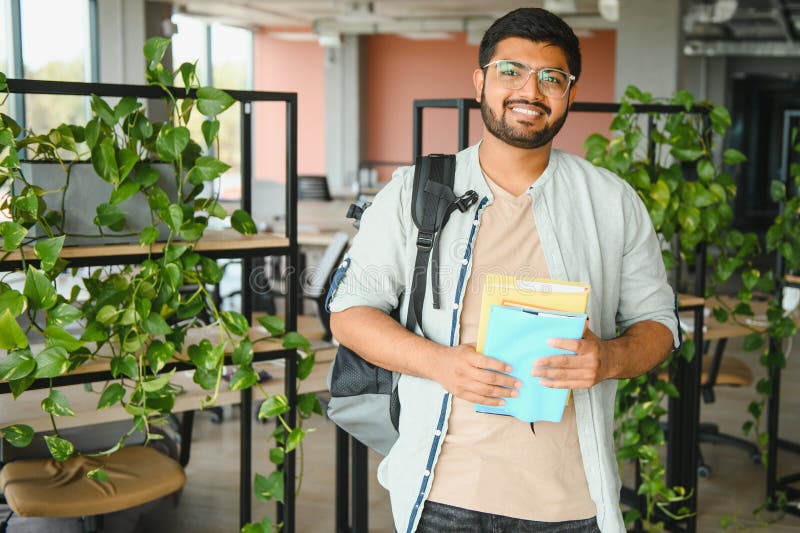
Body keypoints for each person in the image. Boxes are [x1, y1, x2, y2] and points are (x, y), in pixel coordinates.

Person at [327, 7, 678, 533]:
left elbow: (660, 324)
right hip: (440, 495)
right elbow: (350, 313)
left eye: (551, 77)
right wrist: (439, 363)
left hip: (570, 504)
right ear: (481, 82)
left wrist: (608, 357)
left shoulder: (611, 202)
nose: (529, 91)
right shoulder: (414, 190)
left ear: (570, 94)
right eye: (510, 71)